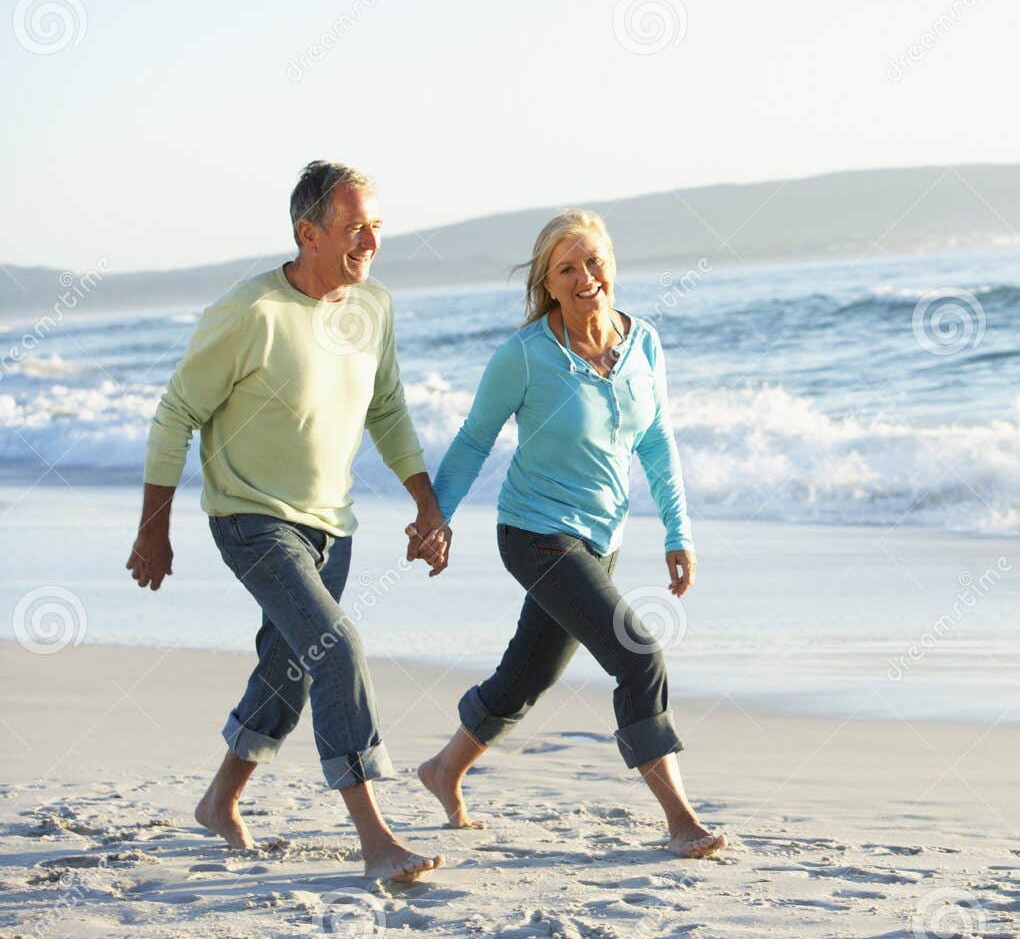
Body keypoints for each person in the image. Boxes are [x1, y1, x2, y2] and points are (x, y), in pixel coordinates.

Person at [126, 160, 449, 882]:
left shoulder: (373, 309)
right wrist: (154, 526)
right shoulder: (251, 313)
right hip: (251, 518)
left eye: (376, 226)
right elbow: (176, 412)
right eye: (354, 226)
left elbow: (388, 409)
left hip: (331, 524)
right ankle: (376, 839)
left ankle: (219, 800)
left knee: (290, 665)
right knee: (336, 648)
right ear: (308, 233)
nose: (369, 240)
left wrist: (425, 503)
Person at [415, 208, 725, 858]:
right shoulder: (524, 357)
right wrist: (435, 516)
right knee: (639, 654)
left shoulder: (644, 344)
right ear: (547, 284)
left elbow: (658, 440)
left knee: (527, 675)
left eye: (594, 262)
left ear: (612, 263)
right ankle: (680, 818)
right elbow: (474, 439)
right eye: (567, 269)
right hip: (534, 532)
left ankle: (444, 769)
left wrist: (679, 530)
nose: (586, 278)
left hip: (601, 540)